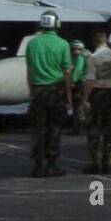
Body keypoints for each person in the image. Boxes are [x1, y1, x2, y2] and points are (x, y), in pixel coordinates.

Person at [25, 12, 73, 178]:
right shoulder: (63, 44)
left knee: (39, 129)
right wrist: (69, 95)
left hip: (38, 90)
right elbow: (67, 71)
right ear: (57, 25)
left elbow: (30, 70)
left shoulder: (32, 44)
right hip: (56, 90)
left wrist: (31, 91)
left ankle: (38, 165)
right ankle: (51, 164)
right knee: (55, 128)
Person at [81, 30, 111, 174]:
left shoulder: (93, 58)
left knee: (95, 129)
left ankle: (96, 163)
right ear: (105, 40)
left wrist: (85, 99)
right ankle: (108, 162)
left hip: (99, 93)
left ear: (94, 42)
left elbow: (90, 79)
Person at [70, 40, 88, 133]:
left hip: (81, 83)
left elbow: (78, 70)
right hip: (81, 82)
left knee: (79, 105)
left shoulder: (80, 57)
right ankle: (79, 126)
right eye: (74, 49)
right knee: (78, 105)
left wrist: (71, 81)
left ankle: (79, 127)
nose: (76, 51)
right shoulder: (74, 57)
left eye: (79, 49)